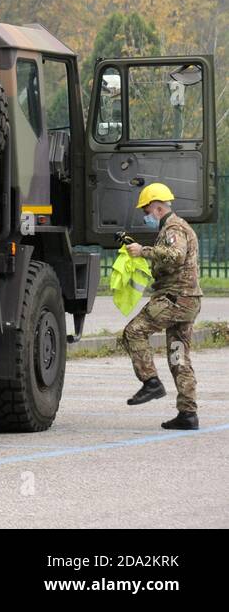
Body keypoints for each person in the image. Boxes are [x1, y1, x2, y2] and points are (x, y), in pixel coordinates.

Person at [121, 182, 200, 430]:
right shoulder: (176, 227)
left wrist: (143, 251)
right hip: (187, 301)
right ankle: (188, 414)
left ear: (157, 208)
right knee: (179, 358)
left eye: (146, 212)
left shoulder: (173, 227)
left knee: (134, 331)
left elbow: (175, 255)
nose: (146, 217)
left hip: (174, 299)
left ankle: (151, 382)